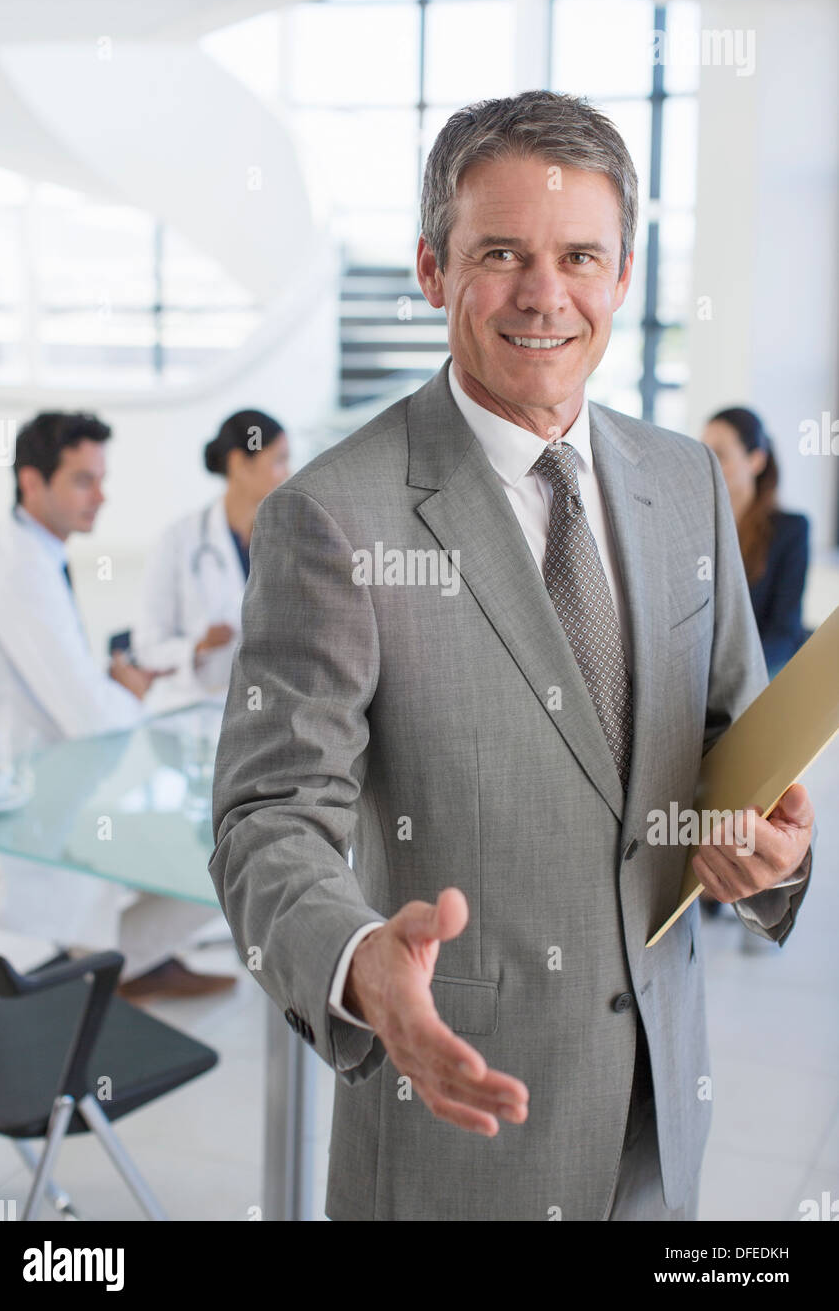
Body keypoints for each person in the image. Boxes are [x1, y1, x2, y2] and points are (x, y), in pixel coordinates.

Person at [209, 91, 815, 1221]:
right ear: (434, 270)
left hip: (654, 1120)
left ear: (623, 278)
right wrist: (355, 963)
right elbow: (265, 819)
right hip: (456, 1137)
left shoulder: (684, 483)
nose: (545, 295)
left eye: (579, 254)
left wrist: (771, 852)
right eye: (501, 253)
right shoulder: (332, 516)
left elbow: (730, 735)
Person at [0, 411, 236, 1000]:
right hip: (29, 805)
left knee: (199, 850)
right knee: (220, 858)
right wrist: (132, 690)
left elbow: (57, 678)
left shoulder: (28, 552)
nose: (102, 496)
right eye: (83, 481)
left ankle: (121, 964)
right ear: (31, 483)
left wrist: (116, 684)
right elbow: (88, 717)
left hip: (49, 783)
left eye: (102, 478)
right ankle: (115, 969)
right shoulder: (20, 569)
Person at [133, 410, 289, 700]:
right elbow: (148, 649)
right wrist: (197, 647)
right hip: (196, 719)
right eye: (279, 461)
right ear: (240, 464)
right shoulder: (179, 540)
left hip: (269, 711)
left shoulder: (289, 540)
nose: (289, 473)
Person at [702, 407, 810, 679]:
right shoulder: (694, 526)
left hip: (757, 675)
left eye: (720, 454)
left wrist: (729, 676)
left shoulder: (790, 530)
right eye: (703, 452)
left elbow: (784, 632)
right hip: (699, 680)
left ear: (756, 460)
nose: (707, 464)